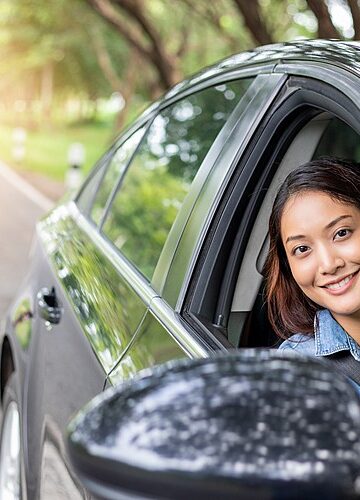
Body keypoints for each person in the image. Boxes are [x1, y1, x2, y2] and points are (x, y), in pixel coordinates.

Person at [264, 157, 360, 391]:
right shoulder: (296, 371)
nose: (328, 265)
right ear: (289, 268)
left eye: (342, 233)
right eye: (302, 249)